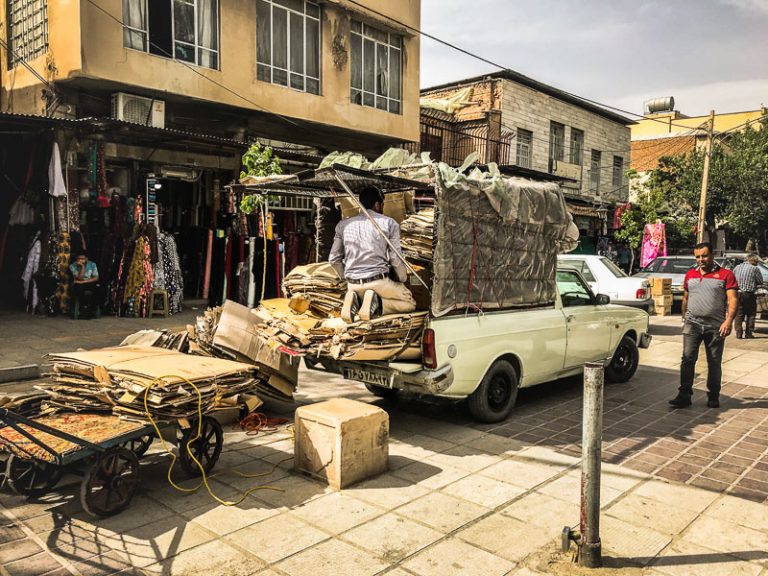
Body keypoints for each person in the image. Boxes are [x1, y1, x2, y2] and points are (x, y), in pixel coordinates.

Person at [329, 185, 416, 322]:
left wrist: (347, 277)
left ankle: (356, 299)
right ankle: (379, 305)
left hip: (352, 285)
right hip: (378, 282)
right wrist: (402, 278)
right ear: (377, 204)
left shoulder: (343, 225)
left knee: (366, 296)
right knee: (409, 302)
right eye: (382, 205)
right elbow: (395, 258)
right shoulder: (389, 223)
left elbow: (334, 259)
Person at [670, 242, 738, 409]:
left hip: (715, 327)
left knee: (714, 362)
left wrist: (728, 321)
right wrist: (684, 317)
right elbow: (686, 298)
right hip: (692, 325)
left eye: (704, 256)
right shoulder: (690, 274)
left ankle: (713, 396)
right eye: (698, 257)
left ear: (712, 255)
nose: (701, 259)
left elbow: (733, 300)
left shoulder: (725, 274)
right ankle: (684, 395)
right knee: (687, 360)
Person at [732, 253, 763, 339]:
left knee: (739, 314)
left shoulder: (737, 267)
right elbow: (760, 281)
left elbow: (733, 279)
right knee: (751, 314)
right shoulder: (755, 268)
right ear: (753, 260)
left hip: (737, 293)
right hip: (749, 294)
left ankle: (738, 333)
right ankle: (749, 333)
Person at [69, 252, 102, 319]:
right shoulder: (72, 266)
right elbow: (79, 278)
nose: (81, 260)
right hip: (78, 284)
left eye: (82, 258)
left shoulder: (92, 264)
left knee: (99, 288)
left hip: (88, 283)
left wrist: (84, 281)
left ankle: (93, 308)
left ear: (86, 259)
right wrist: (82, 267)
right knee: (79, 288)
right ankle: (83, 307)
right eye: (79, 259)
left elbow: (96, 278)